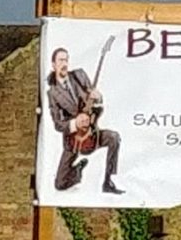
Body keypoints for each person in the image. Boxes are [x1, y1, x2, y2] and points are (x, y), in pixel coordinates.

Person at [45, 46, 123, 194]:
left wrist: (98, 97)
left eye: (66, 60)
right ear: (54, 64)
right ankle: (78, 171)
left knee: (114, 138)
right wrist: (75, 123)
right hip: (73, 141)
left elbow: (95, 104)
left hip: (92, 133)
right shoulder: (53, 93)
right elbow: (57, 124)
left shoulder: (79, 76)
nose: (65, 64)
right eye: (61, 60)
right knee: (60, 184)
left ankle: (108, 181)